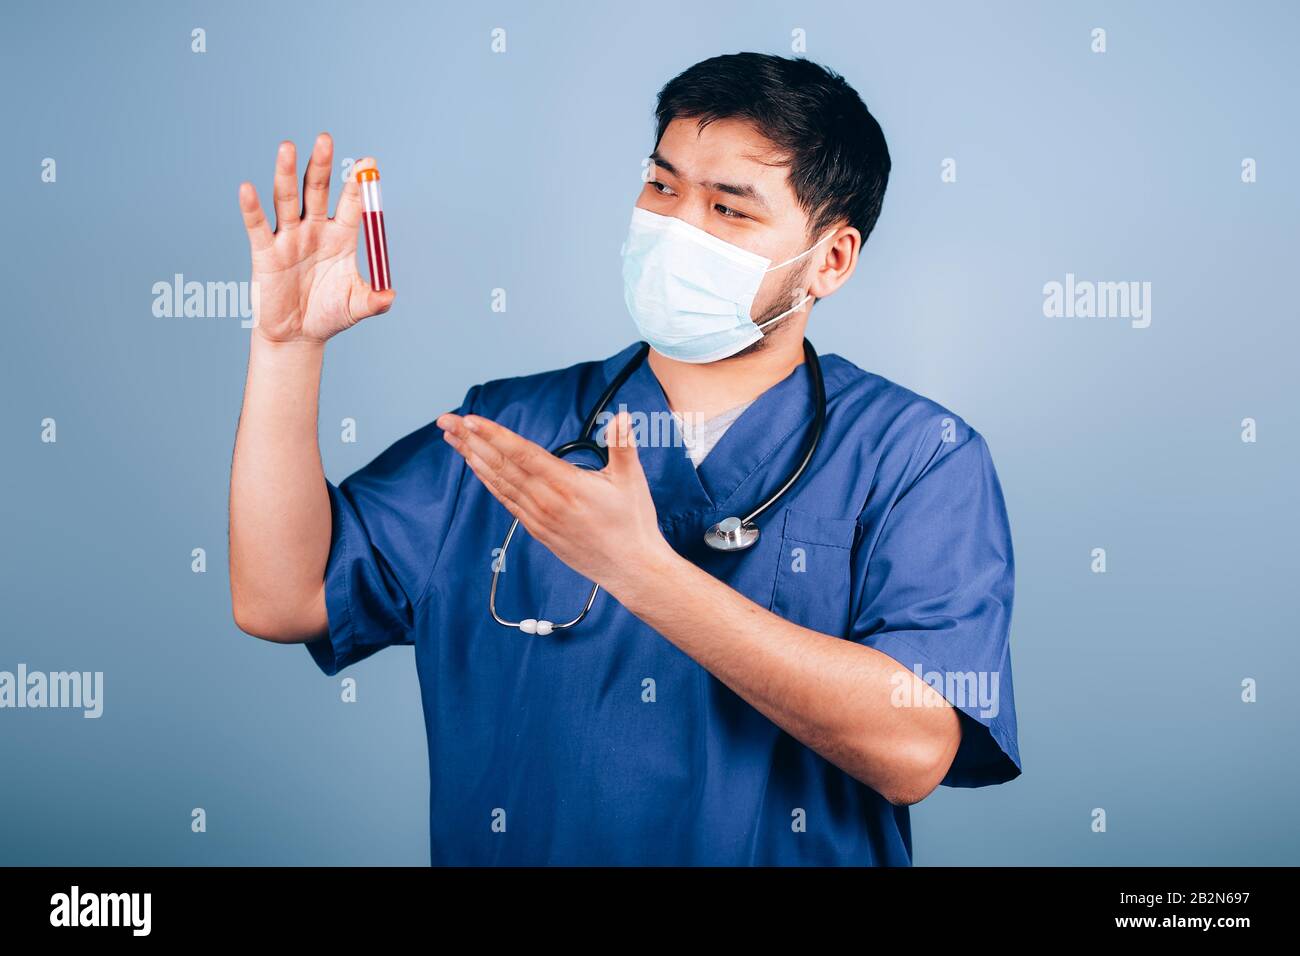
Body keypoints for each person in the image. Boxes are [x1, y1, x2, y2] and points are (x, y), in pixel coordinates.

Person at [229, 52, 1021, 866]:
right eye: (663, 187)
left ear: (831, 260)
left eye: (729, 209)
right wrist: (286, 349)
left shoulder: (916, 457)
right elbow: (280, 597)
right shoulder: (508, 430)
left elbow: (915, 748)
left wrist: (645, 573)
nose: (678, 227)